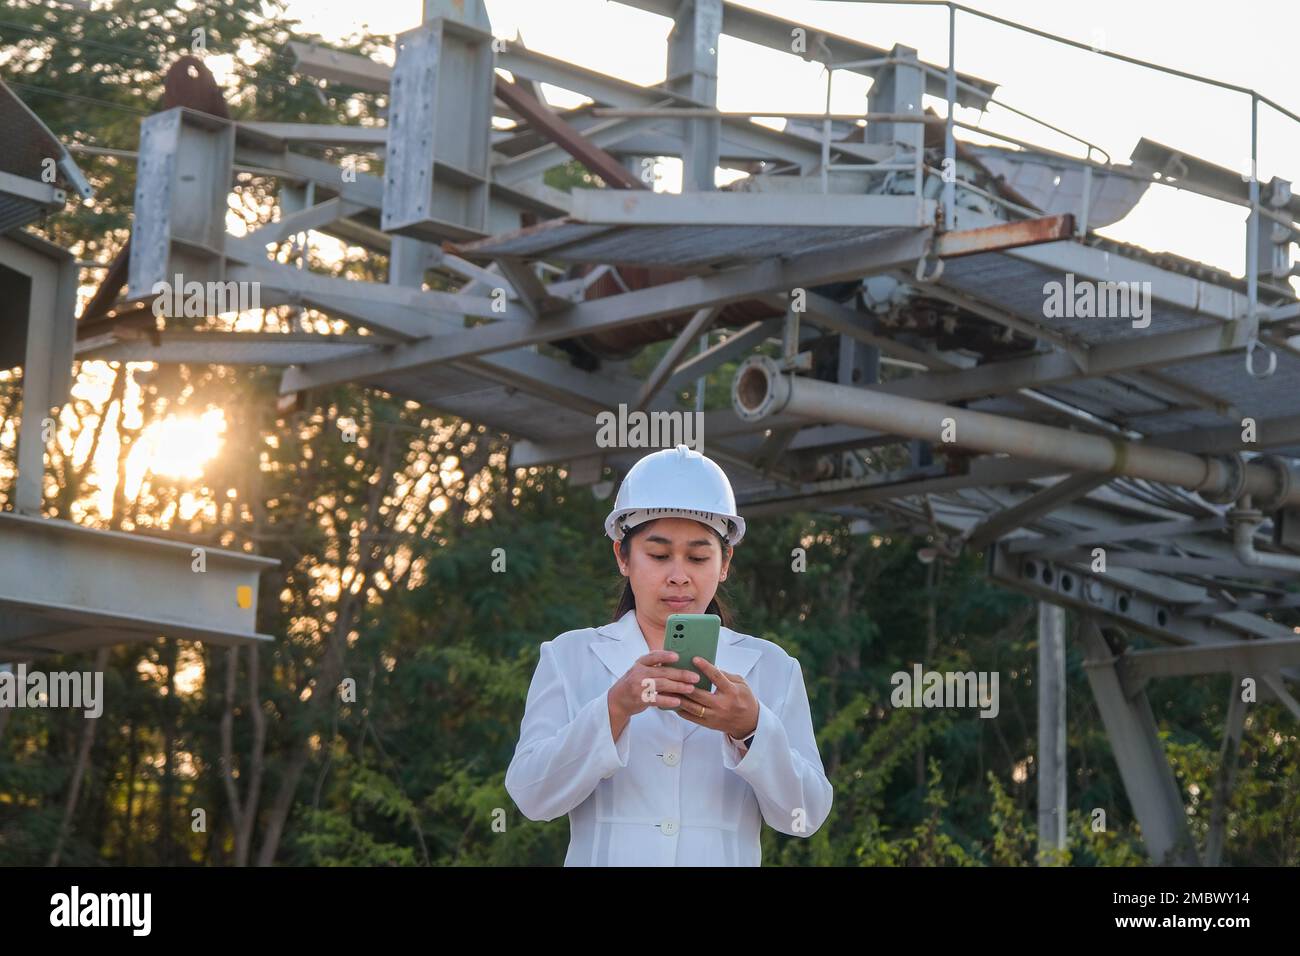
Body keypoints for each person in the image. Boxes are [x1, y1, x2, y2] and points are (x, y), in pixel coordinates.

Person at [505, 444, 833, 866]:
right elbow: (533, 797)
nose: (678, 576)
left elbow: (804, 817)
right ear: (622, 556)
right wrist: (615, 707)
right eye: (658, 555)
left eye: (698, 557)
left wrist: (751, 729)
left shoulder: (772, 668)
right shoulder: (569, 657)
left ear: (725, 561)